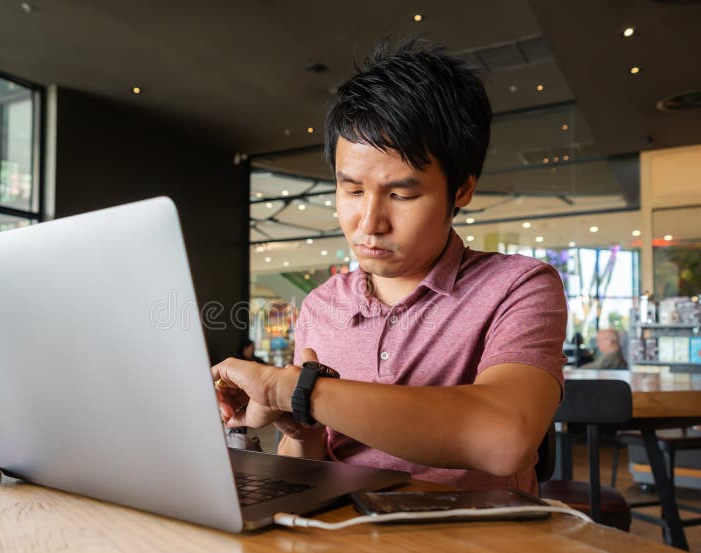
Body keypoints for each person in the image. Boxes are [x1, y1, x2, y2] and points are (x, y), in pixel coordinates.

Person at [213, 39, 566, 495]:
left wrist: (295, 391)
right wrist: (305, 430)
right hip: (343, 536)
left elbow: (506, 437)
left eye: (401, 194)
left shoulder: (517, 286)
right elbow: (308, 459)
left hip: (473, 542)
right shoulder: (322, 306)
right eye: (352, 191)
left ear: (461, 189)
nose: (369, 222)